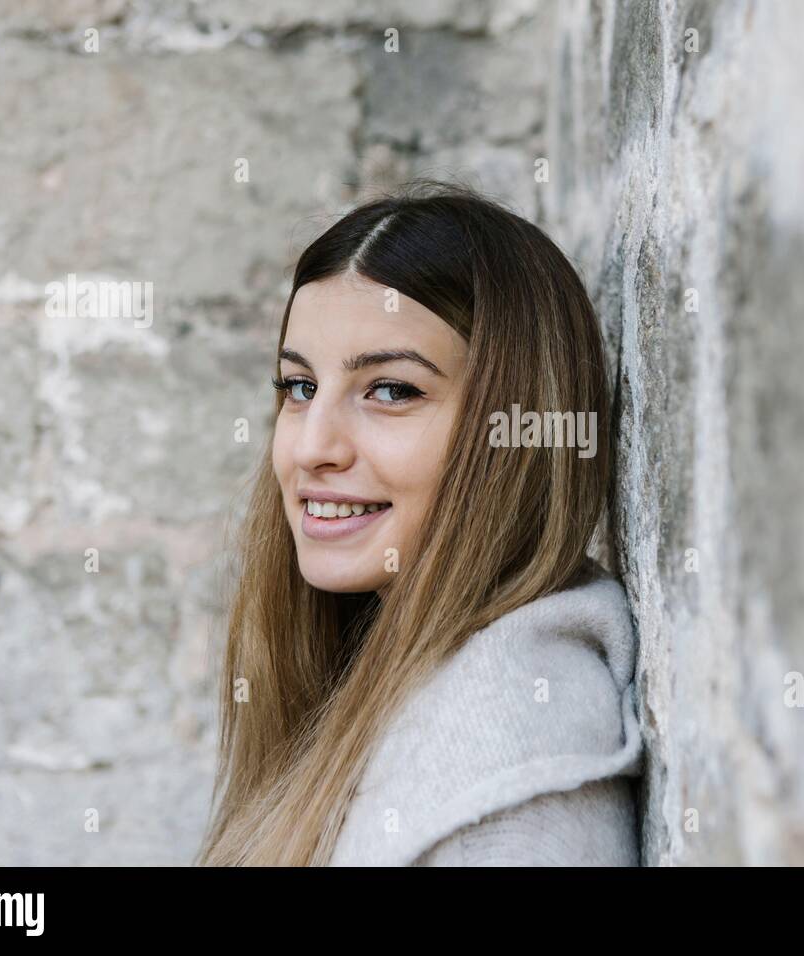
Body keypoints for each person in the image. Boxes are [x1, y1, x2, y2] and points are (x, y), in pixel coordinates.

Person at [195, 181, 642, 866]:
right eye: (300, 387)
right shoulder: (374, 667)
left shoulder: (511, 761)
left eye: (392, 390)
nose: (313, 447)